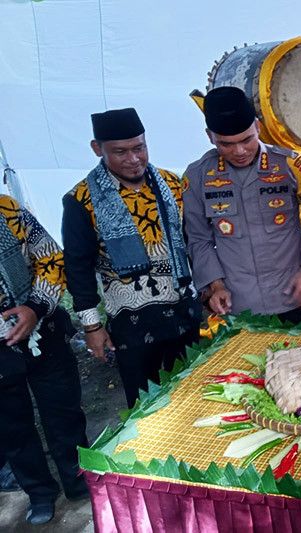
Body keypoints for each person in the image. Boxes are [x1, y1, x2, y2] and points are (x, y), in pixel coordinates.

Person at [62, 108, 201, 408]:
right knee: (145, 410)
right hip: (133, 329)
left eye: (139, 148)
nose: (134, 158)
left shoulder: (172, 185)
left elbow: (195, 241)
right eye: (120, 152)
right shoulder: (81, 200)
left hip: (184, 316)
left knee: (196, 397)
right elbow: (77, 267)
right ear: (97, 149)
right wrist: (92, 327)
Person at [183, 86, 301, 323]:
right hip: (238, 302)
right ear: (210, 136)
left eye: (247, 140)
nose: (239, 151)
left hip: (291, 294)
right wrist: (216, 285)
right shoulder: (197, 176)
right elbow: (199, 239)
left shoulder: (291, 165)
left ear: (258, 127)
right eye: (226, 144)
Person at [0, 194, 88, 525]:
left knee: (63, 409)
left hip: (42, 329)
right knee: (11, 426)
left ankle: (78, 480)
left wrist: (34, 308)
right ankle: (39, 492)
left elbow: (51, 257)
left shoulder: (8, 209)